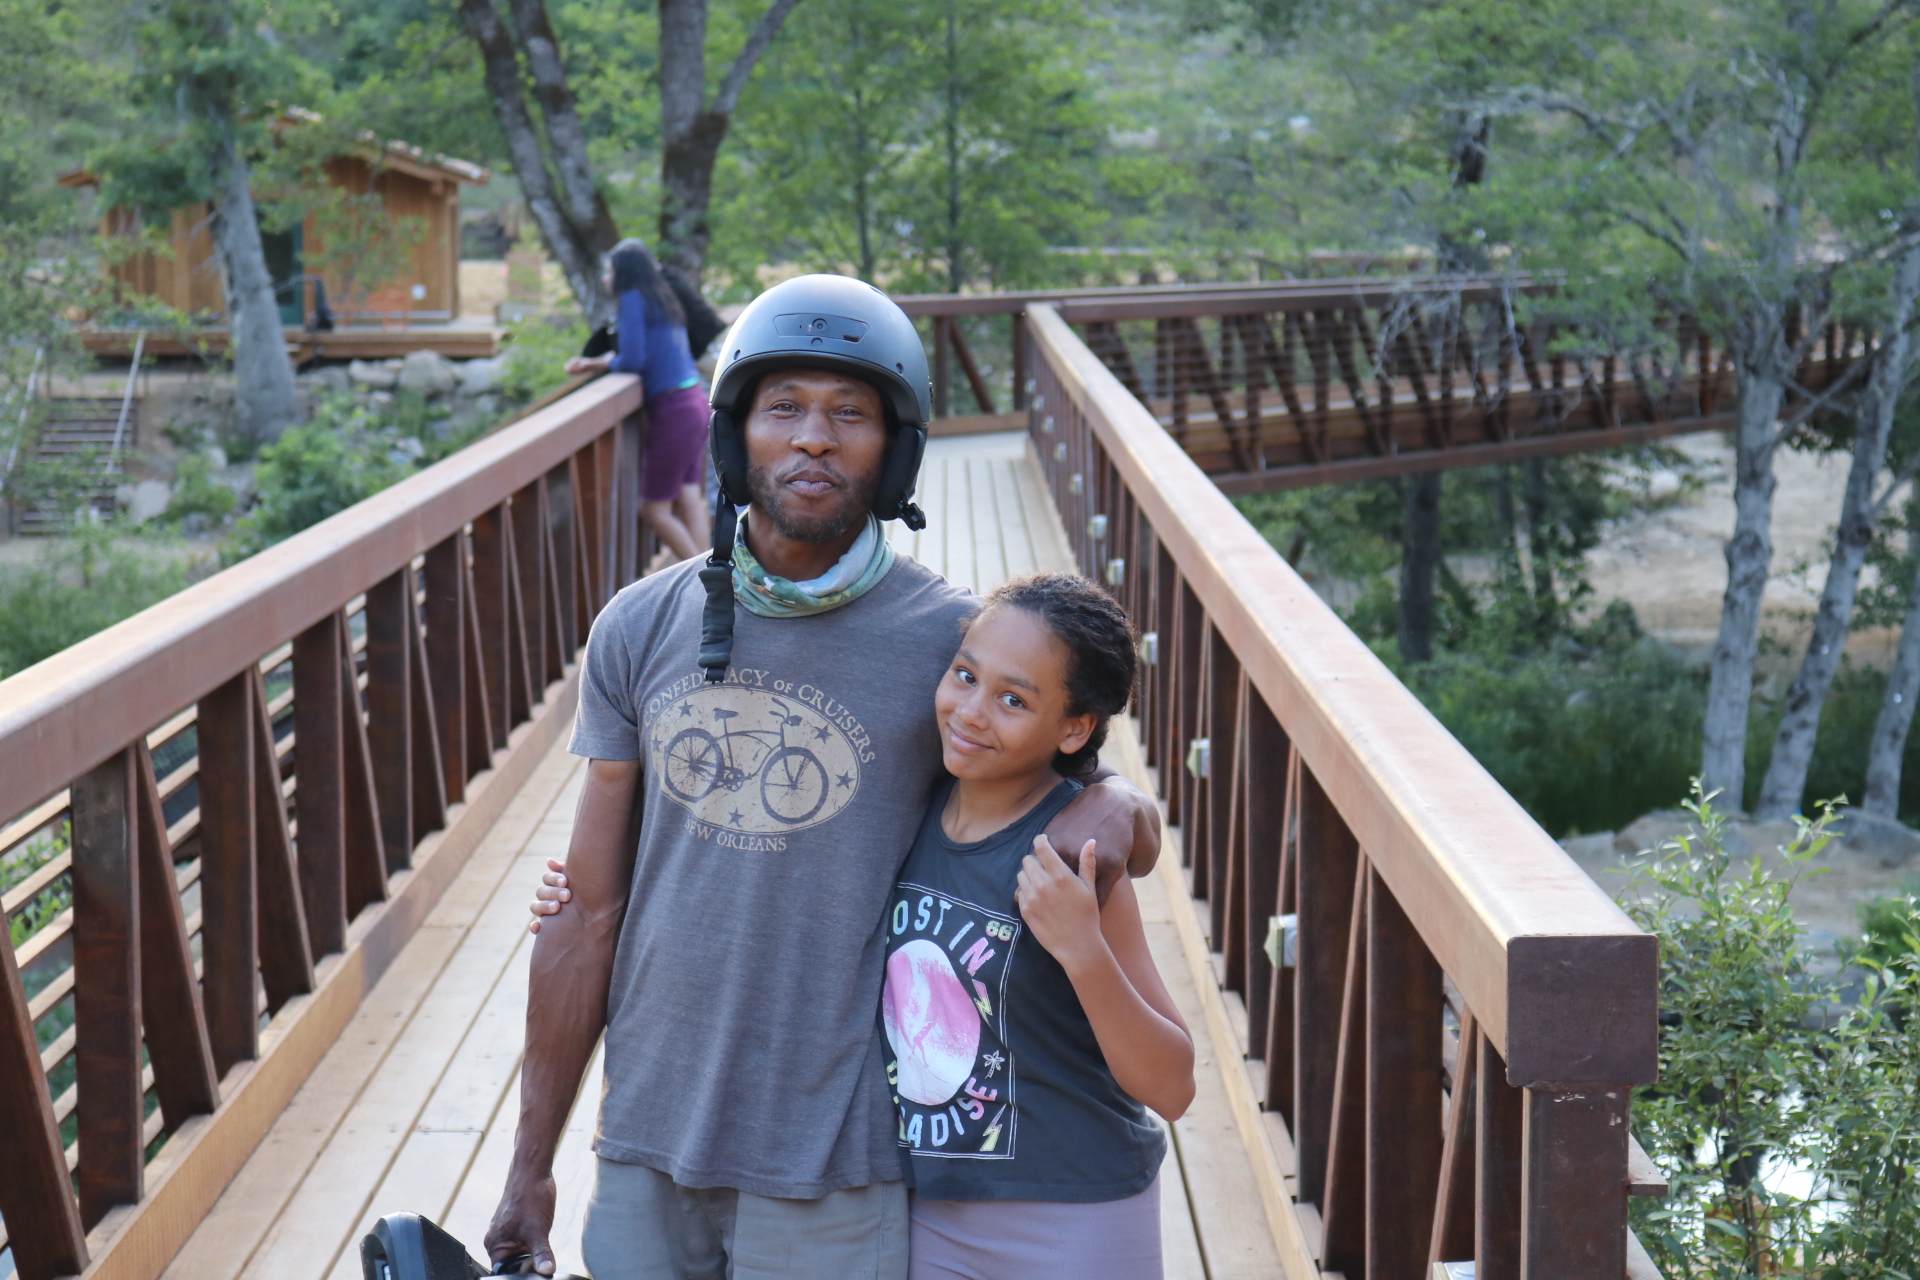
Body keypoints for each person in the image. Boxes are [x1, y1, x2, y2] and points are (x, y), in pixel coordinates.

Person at [487, 274, 1163, 1280]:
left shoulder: (949, 644)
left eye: (850, 412)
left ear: (895, 448)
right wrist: (528, 1164)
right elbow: (586, 911)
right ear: (735, 433)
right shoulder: (640, 625)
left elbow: (1072, 775)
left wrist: (1122, 806)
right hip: (642, 1141)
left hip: (834, 1162)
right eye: (784, 407)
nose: (814, 436)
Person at [532, 574, 1194, 1280]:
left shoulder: (1070, 856)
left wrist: (1083, 947)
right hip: (934, 1217)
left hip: (1077, 1216)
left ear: (1075, 727)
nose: (970, 712)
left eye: (1013, 700)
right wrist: (600, 888)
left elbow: (1173, 1086)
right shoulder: (908, 812)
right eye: (964, 675)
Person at [565, 239, 709, 562]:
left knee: (653, 509)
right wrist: (601, 362)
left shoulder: (631, 299)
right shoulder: (662, 297)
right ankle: (716, 573)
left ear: (623, 274)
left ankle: (704, 581)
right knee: (687, 499)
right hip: (695, 401)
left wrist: (597, 363)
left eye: (608, 271)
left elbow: (633, 360)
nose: (605, 278)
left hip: (674, 412)